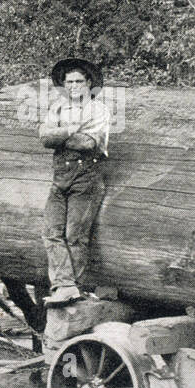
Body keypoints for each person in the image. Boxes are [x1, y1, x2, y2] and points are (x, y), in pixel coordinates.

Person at [39, 57, 110, 306]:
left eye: (79, 81)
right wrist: (71, 130)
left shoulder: (98, 110)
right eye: (69, 82)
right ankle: (64, 286)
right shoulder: (58, 108)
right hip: (60, 178)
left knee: (75, 235)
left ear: (88, 83)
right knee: (51, 233)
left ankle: (74, 287)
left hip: (86, 177)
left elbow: (88, 143)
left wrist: (58, 136)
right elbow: (44, 138)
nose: (74, 86)